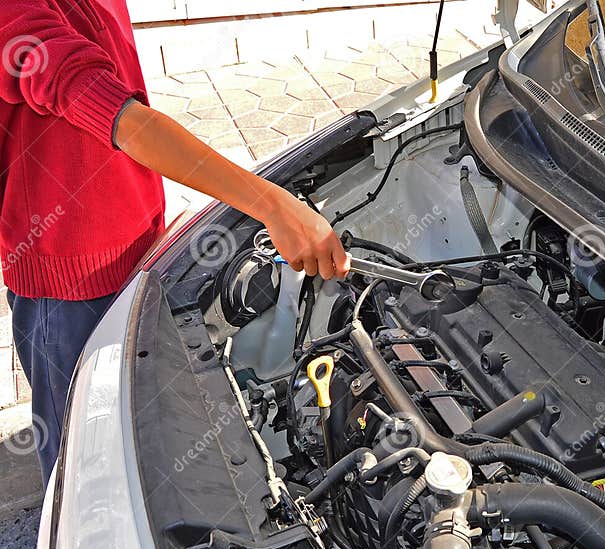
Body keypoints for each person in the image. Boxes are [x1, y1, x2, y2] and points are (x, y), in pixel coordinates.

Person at [1, 0, 350, 485]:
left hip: (141, 248)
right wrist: (271, 205)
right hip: (66, 292)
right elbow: (119, 116)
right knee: (85, 474)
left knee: (137, 442)